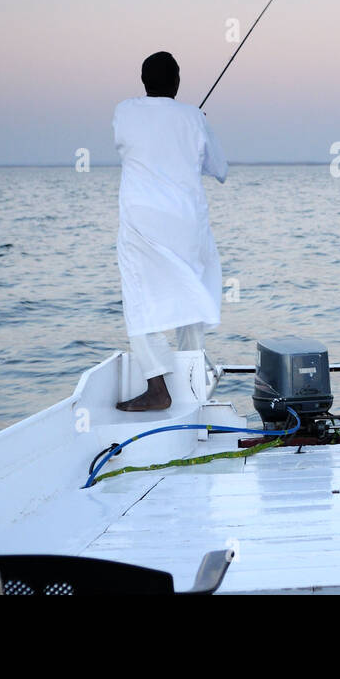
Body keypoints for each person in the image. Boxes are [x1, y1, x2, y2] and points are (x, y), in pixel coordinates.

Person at [113, 51, 228, 411]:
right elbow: (219, 169)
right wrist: (199, 126)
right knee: (190, 292)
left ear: (143, 82)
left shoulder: (124, 112)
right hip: (185, 223)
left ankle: (157, 385)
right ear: (177, 81)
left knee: (138, 298)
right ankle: (193, 384)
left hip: (141, 220)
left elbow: (134, 143)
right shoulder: (194, 118)